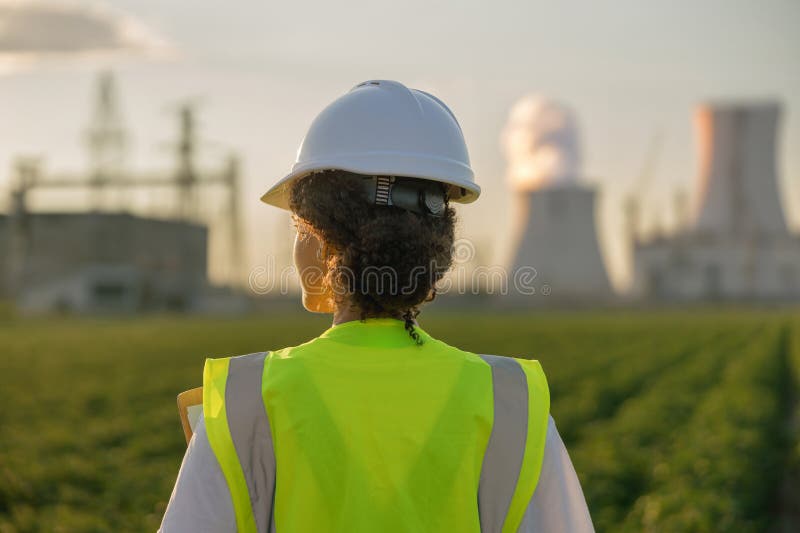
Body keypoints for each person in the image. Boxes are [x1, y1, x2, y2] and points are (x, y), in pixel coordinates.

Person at [159, 80, 594, 533]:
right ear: (440, 243)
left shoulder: (244, 403)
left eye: (297, 223)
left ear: (319, 236)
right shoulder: (512, 407)